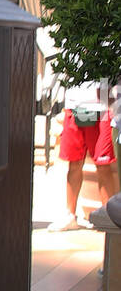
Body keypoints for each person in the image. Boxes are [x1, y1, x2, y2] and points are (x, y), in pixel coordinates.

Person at [49, 81, 119, 230]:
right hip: (74, 108)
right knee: (74, 164)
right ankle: (70, 216)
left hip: (103, 108)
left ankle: (108, 216)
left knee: (103, 164)